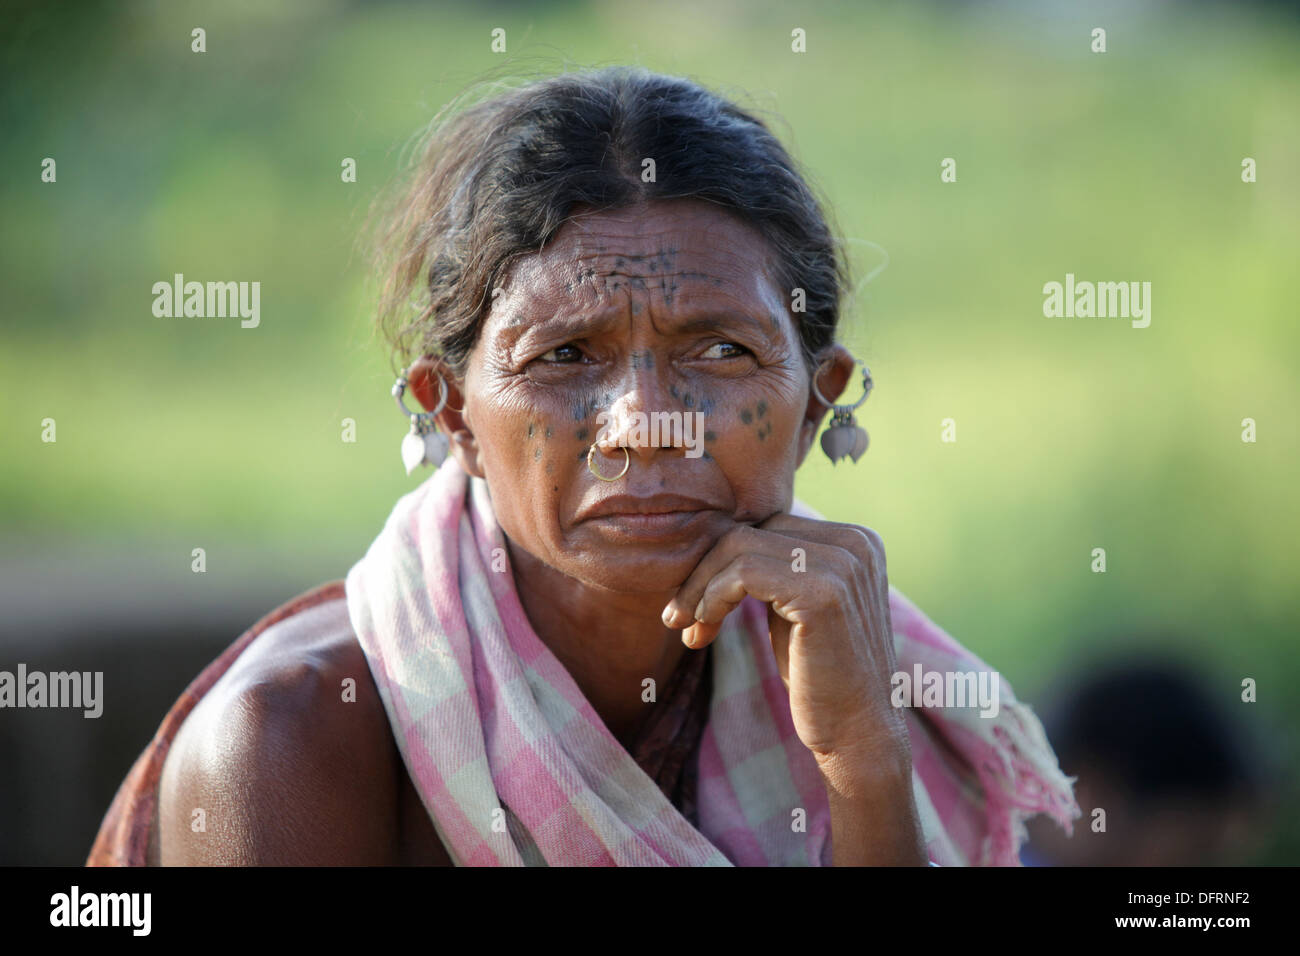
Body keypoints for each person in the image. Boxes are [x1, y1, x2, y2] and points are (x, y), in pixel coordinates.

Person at [88, 66, 1078, 867]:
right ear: (451, 412)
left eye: (720, 351)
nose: (647, 423)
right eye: (564, 357)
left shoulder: (857, 671)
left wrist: (865, 768)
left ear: (821, 397)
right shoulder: (296, 739)